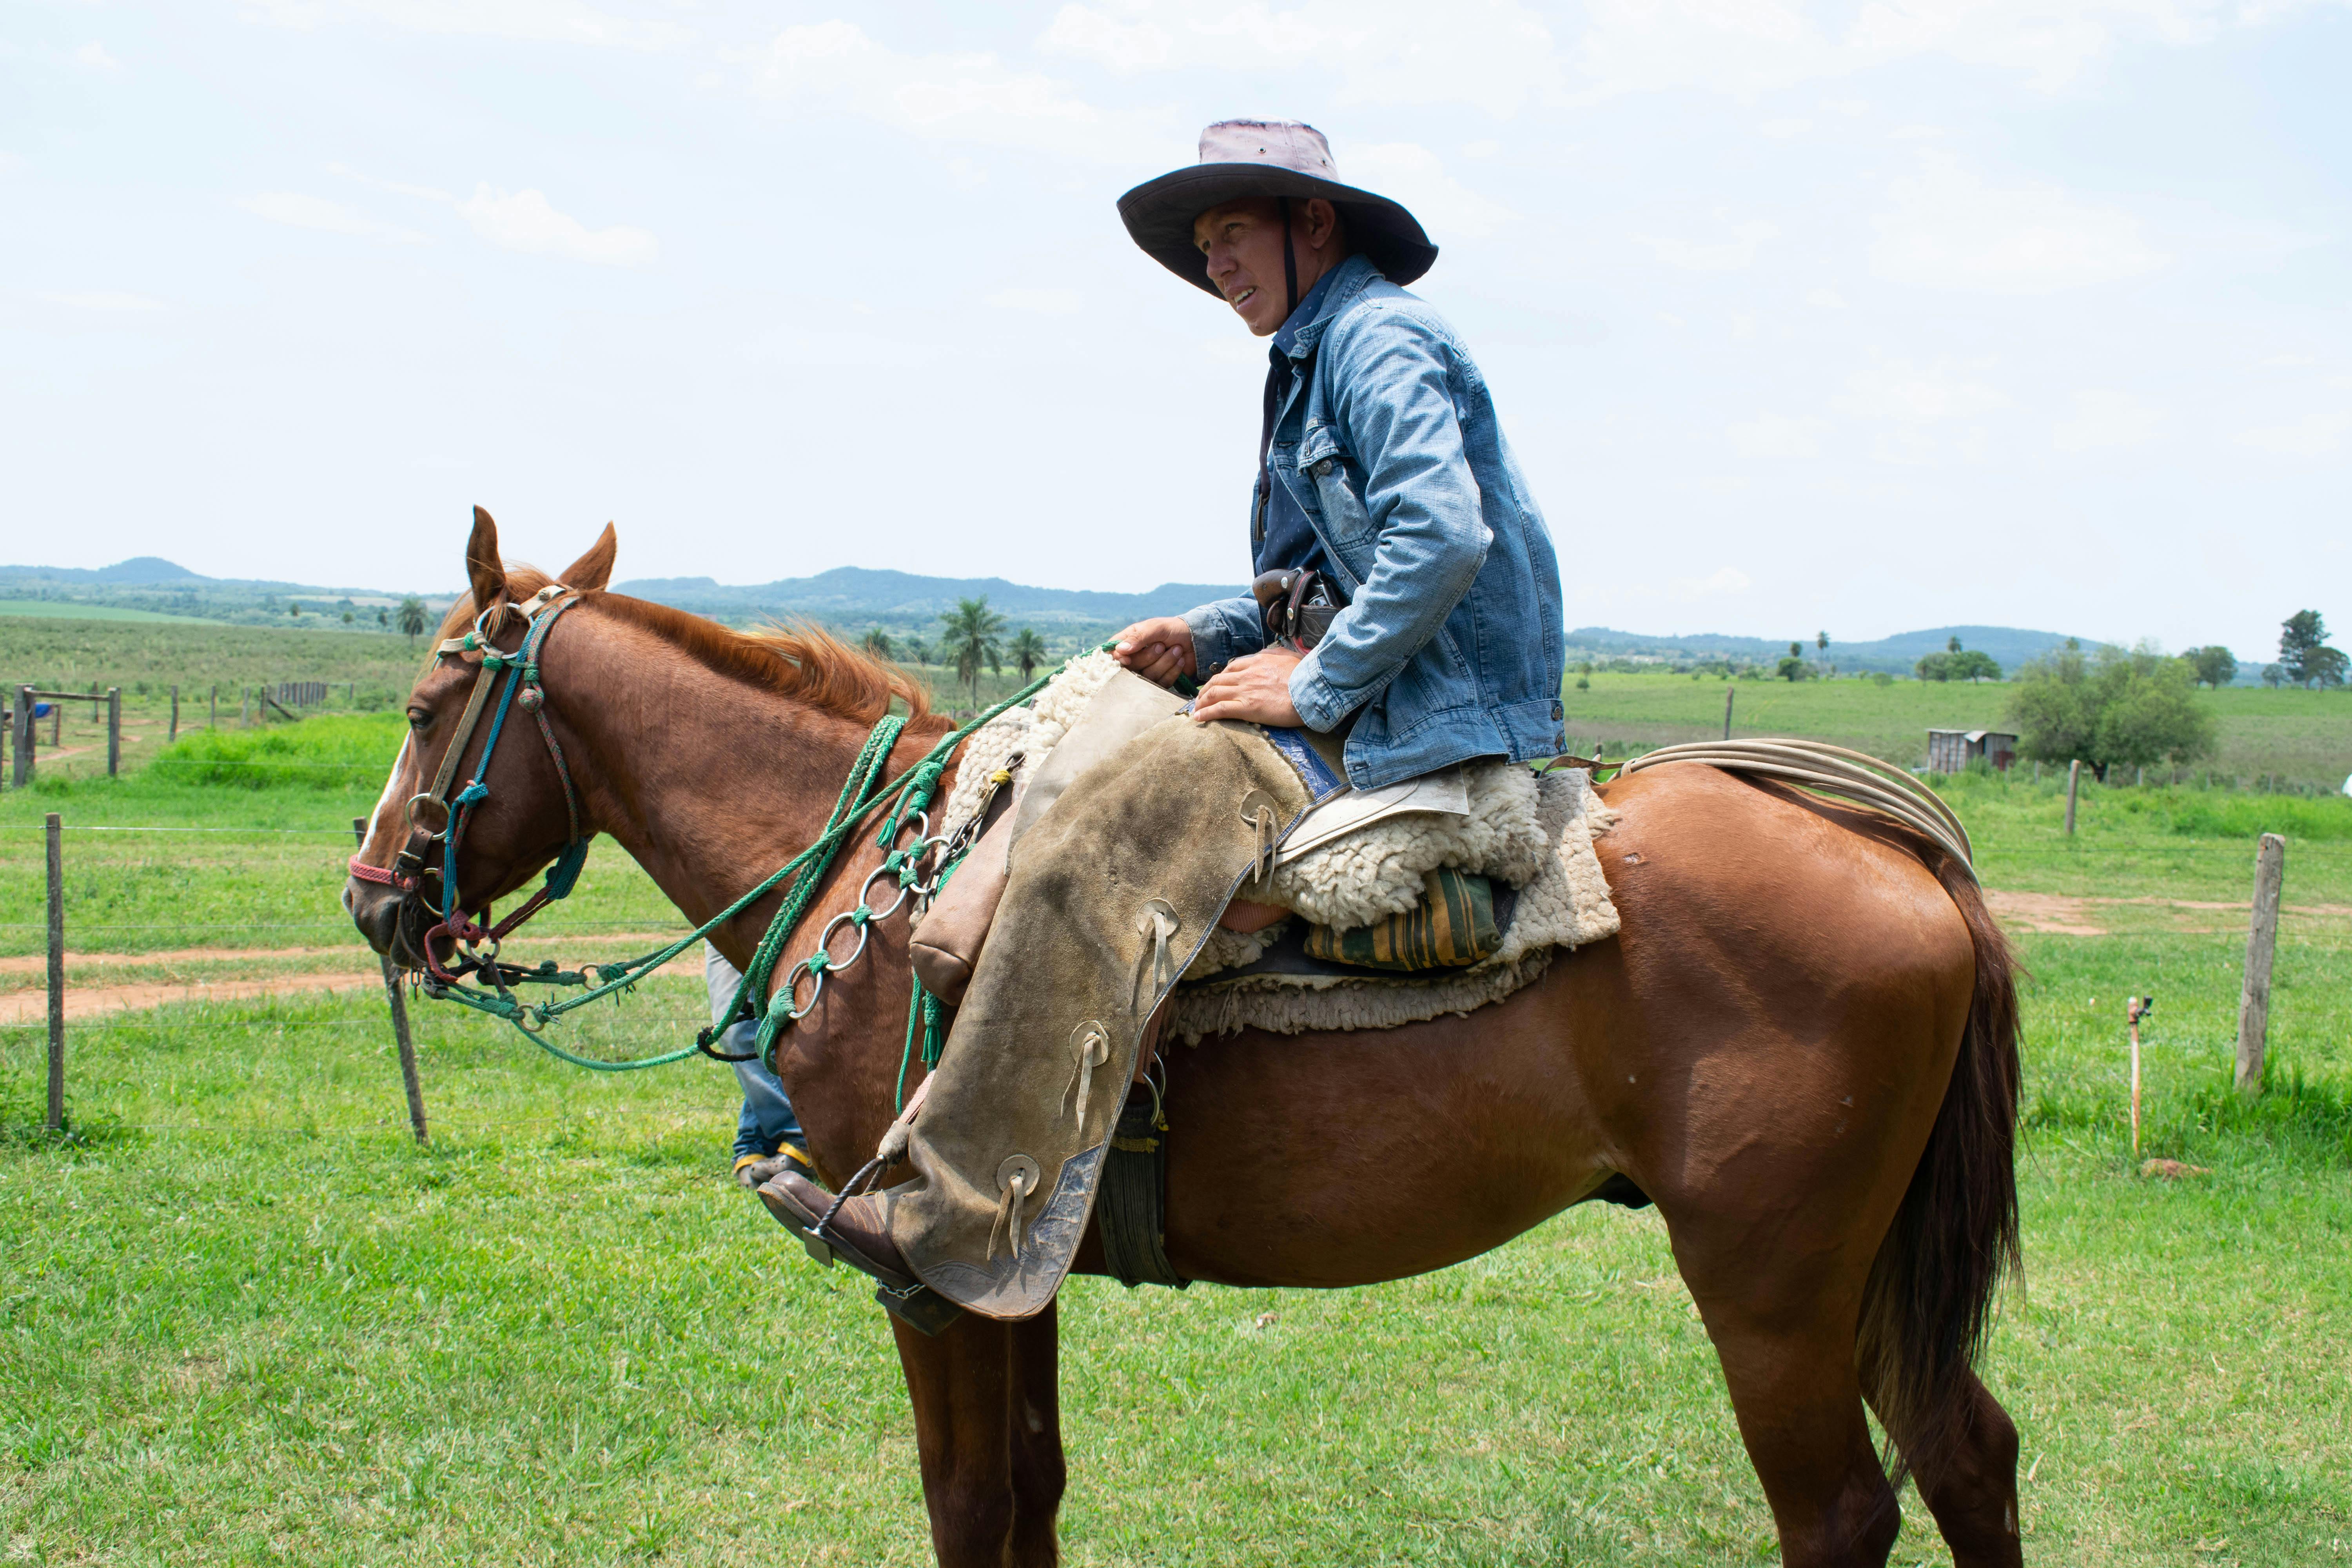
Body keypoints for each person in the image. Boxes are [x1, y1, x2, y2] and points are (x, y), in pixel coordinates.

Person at [759, 120, 1566, 1325]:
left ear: (1312, 225)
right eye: (1201, 247)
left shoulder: (1371, 339)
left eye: (1231, 233)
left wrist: (1311, 684)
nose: (1216, 267)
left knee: (1103, 835)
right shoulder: (1310, 353)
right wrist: (1207, 635)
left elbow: (1440, 535)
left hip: (1423, 699)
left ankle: (964, 1211)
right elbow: (1311, 578)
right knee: (1078, 734)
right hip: (1383, 671)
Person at [705, 943, 810, 1187]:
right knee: (737, 1030)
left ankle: (772, 1140)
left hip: (789, 907)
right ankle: (793, 1137)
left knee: (761, 1028)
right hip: (725, 914)